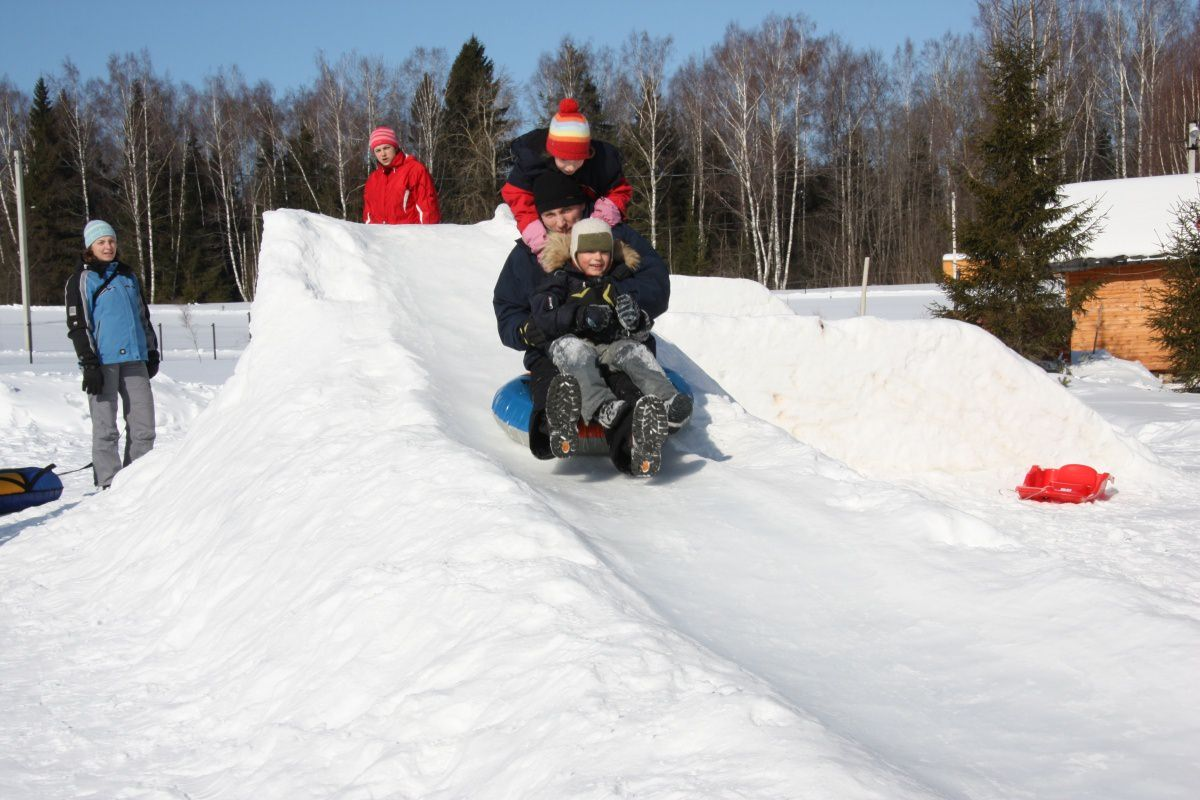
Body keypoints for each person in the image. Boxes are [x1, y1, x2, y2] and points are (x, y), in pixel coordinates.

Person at [493, 171, 677, 477]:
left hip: (614, 339)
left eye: (567, 211)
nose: (561, 222)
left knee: (624, 380)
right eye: (550, 214)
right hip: (555, 346)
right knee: (551, 374)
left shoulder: (614, 238)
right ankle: (553, 424)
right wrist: (525, 330)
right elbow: (507, 307)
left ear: (583, 204)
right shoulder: (527, 255)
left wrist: (621, 301)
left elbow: (656, 284)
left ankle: (636, 441)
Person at [530, 217, 693, 460]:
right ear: (574, 253)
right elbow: (544, 315)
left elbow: (638, 333)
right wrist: (580, 316)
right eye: (588, 251)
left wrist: (637, 322)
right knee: (577, 353)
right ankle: (602, 407)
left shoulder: (617, 282)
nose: (597, 258)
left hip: (608, 346)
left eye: (603, 251)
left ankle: (667, 402)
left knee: (632, 351)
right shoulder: (560, 281)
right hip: (571, 342)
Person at [65, 220, 158, 489]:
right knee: (106, 429)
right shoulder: (82, 279)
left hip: (134, 359)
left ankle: (137, 479)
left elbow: (143, 317)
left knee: (144, 427)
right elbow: (78, 325)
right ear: (90, 247)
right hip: (102, 363)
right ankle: (109, 483)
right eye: (101, 242)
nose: (108, 246)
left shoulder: (128, 276)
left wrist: (151, 352)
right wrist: (88, 362)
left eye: (111, 241)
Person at [500, 98, 632, 257]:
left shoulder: (602, 164)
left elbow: (619, 190)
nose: (570, 167)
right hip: (547, 227)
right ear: (552, 153)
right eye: (563, 160)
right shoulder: (532, 160)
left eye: (577, 160)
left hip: (587, 220)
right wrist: (534, 232)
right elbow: (516, 195)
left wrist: (601, 219)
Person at [362, 126, 441, 225]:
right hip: (380, 238)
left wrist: (424, 238)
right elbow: (368, 215)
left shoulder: (414, 170)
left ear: (395, 147)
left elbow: (428, 212)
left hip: (409, 237)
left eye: (386, 148)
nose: (383, 154)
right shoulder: (373, 179)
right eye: (378, 150)